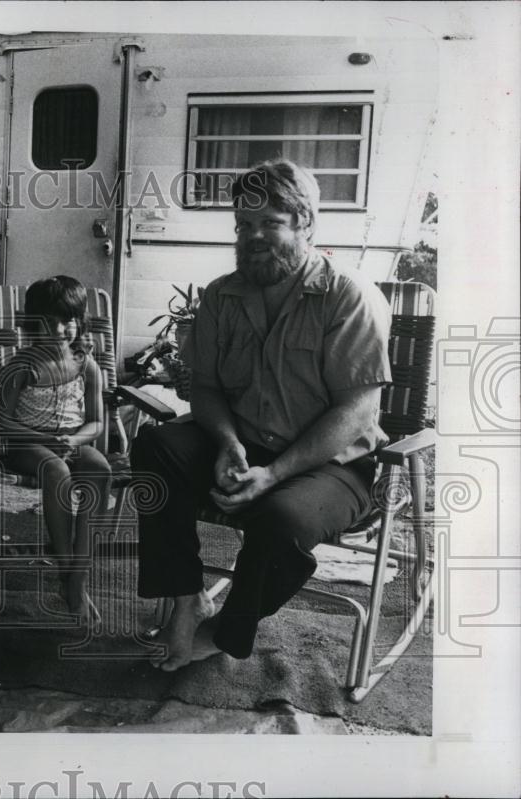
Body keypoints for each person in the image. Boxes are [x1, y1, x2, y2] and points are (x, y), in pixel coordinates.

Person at [133, 159, 392, 670]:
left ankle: (224, 629)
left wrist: (274, 474)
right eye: (244, 225)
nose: (253, 236)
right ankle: (188, 598)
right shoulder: (222, 296)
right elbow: (205, 387)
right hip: (246, 443)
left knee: (282, 518)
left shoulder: (347, 296)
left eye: (270, 223)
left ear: (305, 225)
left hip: (332, 466)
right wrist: (228, 443)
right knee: (154, 446)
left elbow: (357, 411)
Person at [0, 276, 112, 624]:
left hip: (70, 441)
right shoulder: (21, 365)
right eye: (49, 321)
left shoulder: (87, 365)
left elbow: (96, 423)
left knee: (101, 470)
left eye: (68, 320)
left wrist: (74, 441)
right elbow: (0, 421)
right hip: (26, 443)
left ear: (80, 321)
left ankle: (78, 575)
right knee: (57, 471)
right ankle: (67, 573)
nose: (60, 329)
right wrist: (46, 441)